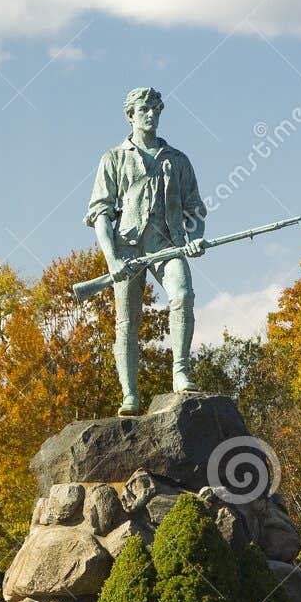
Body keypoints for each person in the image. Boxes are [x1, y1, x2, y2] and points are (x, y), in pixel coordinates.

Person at [86, 86, 208, 414]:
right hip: (127, 248)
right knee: (127, 322)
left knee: (182, 294)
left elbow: (194, 209)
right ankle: (130, 395)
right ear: (130, 116)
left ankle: (181, 372)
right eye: (144, 109)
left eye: (156, 109)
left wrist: (195, 237)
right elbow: (100, 213)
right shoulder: (112, 159)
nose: (151, 114)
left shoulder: (178, 160)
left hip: (167, 243)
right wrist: (112, 259)